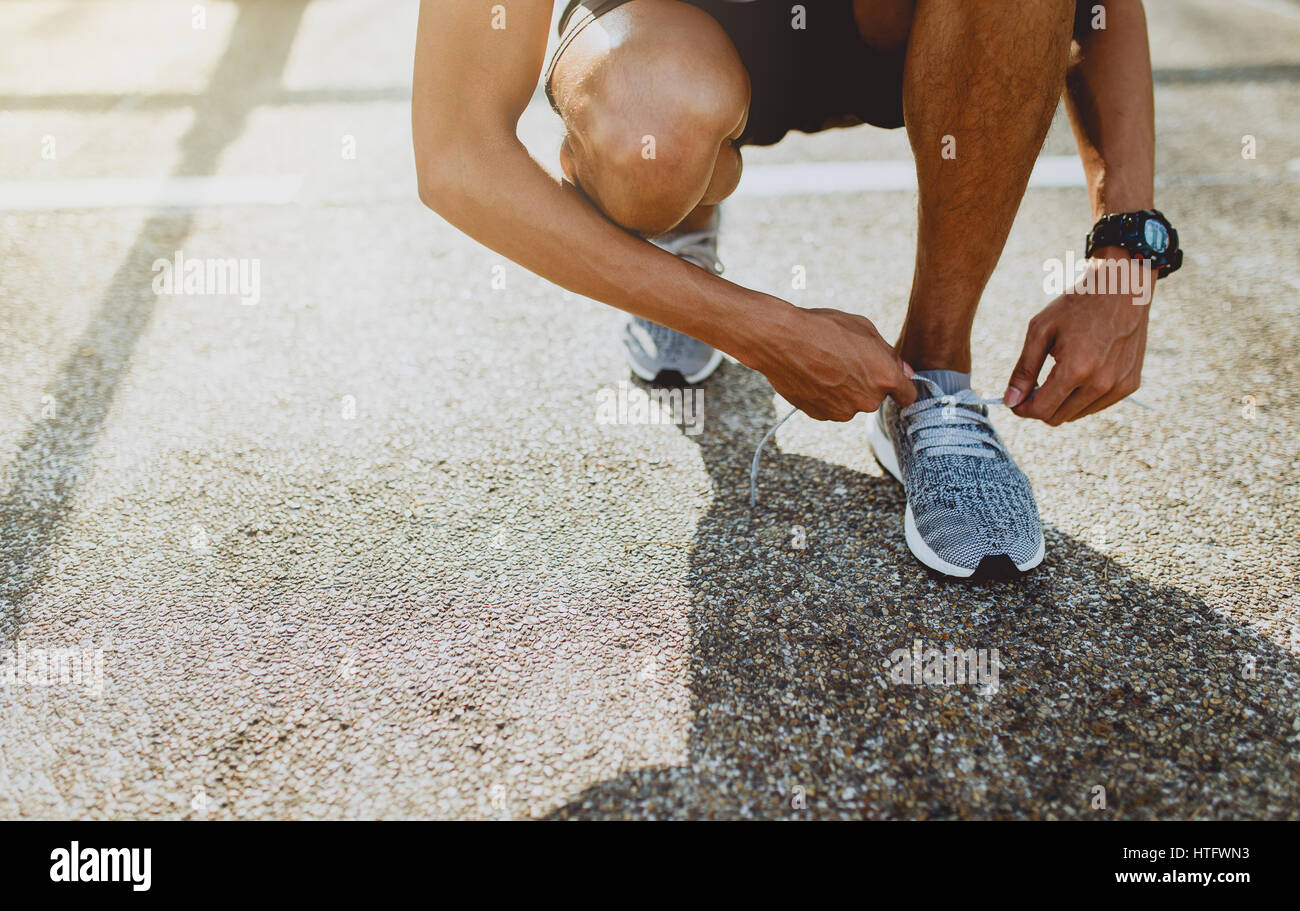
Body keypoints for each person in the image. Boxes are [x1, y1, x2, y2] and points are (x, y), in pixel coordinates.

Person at [412, 0, 1183, 578]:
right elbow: (458, 150)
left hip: (907, 25)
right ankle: (676, 230)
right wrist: (753, 327)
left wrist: (1126, 254)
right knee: (647, 134)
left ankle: (934, 379)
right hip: (669, 32)